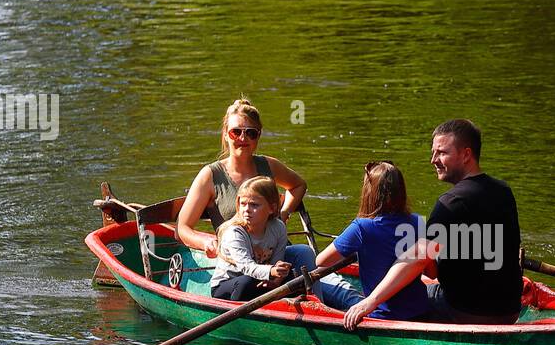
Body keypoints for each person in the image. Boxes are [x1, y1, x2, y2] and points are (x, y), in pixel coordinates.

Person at [175, 97, 316, 276]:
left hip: (277, 258)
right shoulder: (210, 175)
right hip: (238, 265)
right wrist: (206, 242)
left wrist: (283, 213)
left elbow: (298, 185)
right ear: (225, 134)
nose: (243, 138)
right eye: (236, 132)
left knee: (316, 266)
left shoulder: (269, 165)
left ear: (259, 135)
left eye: (251, 133)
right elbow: (182, 229)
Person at [420, 119, 522, 324]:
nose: (433, 160)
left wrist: (370, 301)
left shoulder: (450, 203)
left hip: (463, 311)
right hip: (510, 310)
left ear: (466, 154)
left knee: (402, 293)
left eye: (441, 153)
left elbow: (418, 262)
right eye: (433, 152)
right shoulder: (503, 191)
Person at [314, 161, 434, 330]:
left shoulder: (361, 227)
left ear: (369, 193)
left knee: (325, 279)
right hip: (420, 311)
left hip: (382, 316)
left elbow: (321, 261)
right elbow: (431, 272)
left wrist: (352, 247)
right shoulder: (417, 221)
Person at [209, 177, 292, 301]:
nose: (246, 209)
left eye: (254, 205)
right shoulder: (235, 232)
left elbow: (277, 260)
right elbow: (246, 267)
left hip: (259, 278)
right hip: (228, 284)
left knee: (294, 275)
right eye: (243, 204)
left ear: (271, 208)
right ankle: (239, 316)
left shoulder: (278, 227)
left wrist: (278, 277)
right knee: (246, 282)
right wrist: (271, 271)